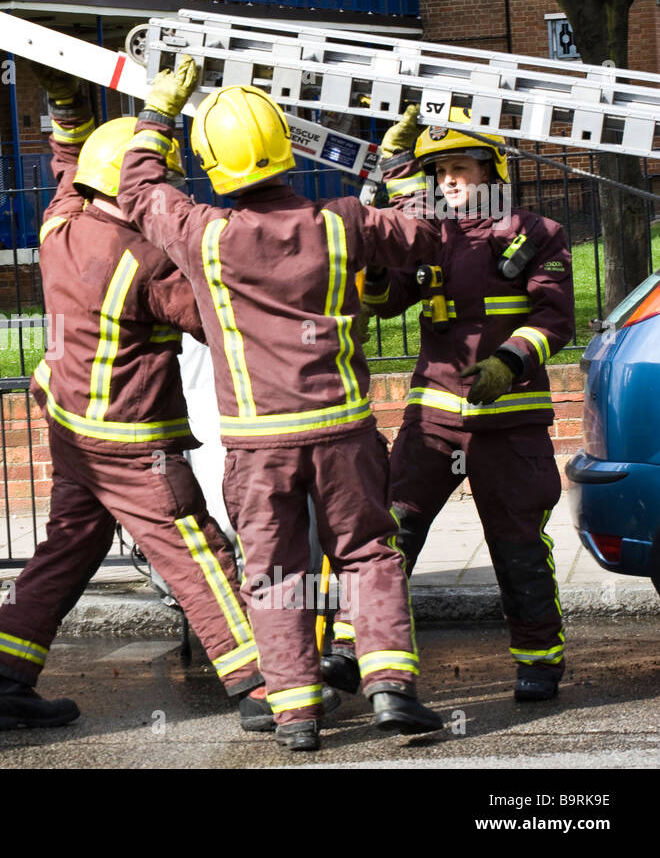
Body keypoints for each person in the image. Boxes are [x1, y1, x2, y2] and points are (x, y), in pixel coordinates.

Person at [118, 60, 444, 751]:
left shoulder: (203, 234)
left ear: (212, 165)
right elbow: (422, 233)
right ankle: (390, 689)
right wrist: (398, 162)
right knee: (368, 555)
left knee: (274, 575)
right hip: (345, 433)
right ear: (284, 149)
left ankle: (296, 716)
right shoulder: (341, 221)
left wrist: (158, 113)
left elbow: (139, 191)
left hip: (257, 445)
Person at [0, 70, 268, 731]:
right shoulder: (148, 258)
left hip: (71, 428)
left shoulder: (63, 222)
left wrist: (65, 111)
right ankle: (261, 686)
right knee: (196, 553)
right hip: (132, 440)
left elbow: (65, 167)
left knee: (71, 545)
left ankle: (7, 679)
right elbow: (217, 317)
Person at [359, 108, 574, 702]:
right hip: (432, 419)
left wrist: (509, 362)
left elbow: (554, 318)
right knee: (391, 530)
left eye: (460, 167)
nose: (449, 180)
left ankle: (539, 659)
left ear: (493, 169)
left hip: (510, 423)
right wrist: (376, 266)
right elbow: (385, 302)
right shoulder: (426, 232)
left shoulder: (538, 232)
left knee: (517, 542)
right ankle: (363, 653)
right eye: (439, 172)